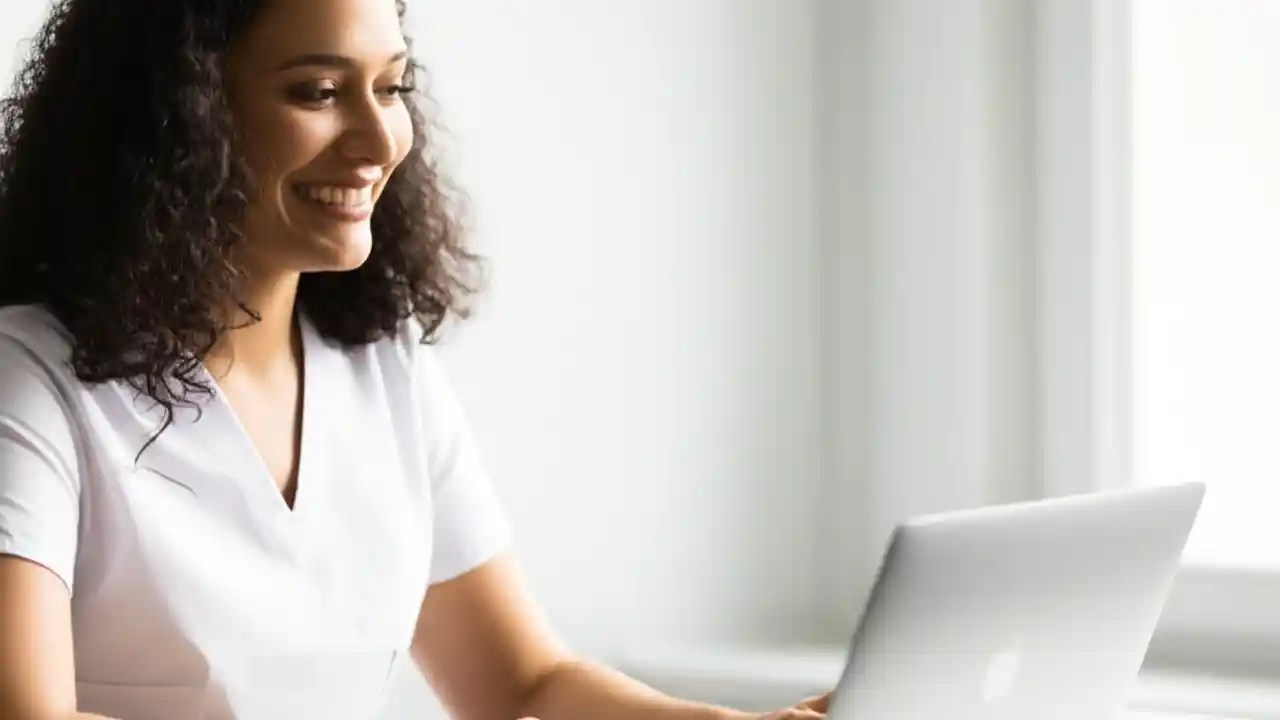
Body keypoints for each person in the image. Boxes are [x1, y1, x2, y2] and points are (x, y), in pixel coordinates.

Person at [0, 1, 831, 718]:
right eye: (318, 92)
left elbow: (522, 684)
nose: (377, 137)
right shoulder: (28, 377)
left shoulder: (382, 365)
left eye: (391, 86)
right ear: (176, 114)